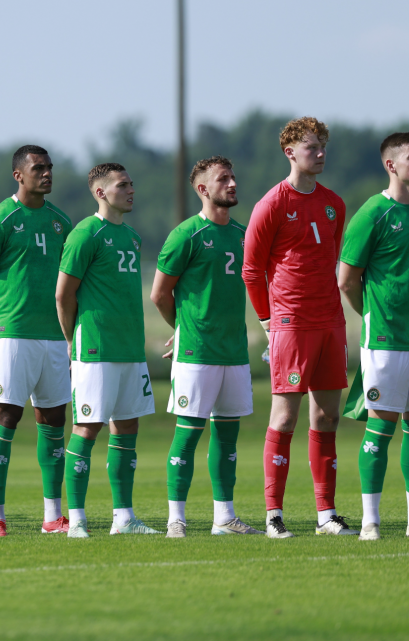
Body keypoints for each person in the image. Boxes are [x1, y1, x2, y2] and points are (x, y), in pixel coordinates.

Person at [243, 117, 357, 538]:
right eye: (312, 147)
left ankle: (325, 514)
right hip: (290, 323)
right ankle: (274, 516)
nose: (321, 153)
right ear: (290, 152)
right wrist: (269, 320)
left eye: (324, 146)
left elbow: (329, 258)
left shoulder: (334, 203)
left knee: (327, 416)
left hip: (330, 319)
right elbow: (252, 269)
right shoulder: (272, 203)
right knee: (285, 417)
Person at [338, 132, 409, 540]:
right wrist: (372, 315)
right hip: (386, 341)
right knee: (380, 430)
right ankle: (371, 521)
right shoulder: (372, 213)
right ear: (391, 165)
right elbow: (347, 280)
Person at [151, 157, 262, 538]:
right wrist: (184, 328)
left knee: (227, 437)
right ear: (202, 189)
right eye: (223, 179)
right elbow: (159, 294)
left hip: (234, 352)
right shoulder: (186, 235)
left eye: (233, 176)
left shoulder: (245, 235)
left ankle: (224, 518)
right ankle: (176, 519)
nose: (232, 183)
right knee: (188, 433)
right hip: (197, 353)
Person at [0, 145, 72, 537]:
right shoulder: (2, 218)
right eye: (38, 168)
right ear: (18, 175)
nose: (46, 174)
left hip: (53, 338)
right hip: (13, 336)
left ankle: (53, 515)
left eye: (49, 168)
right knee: (5, 418)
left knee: (53, 420)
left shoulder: (62, 222)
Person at [56, 163, 158, 538]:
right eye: (122, 185)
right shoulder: (85, 233)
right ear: (101, 192)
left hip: (130, 348)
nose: (131, 190)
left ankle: (124, 518)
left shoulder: (131, 236)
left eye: (131, 183)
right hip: (96, 348)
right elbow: (63, 294)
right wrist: (72, 341)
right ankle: (77, 520)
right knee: (86, 427)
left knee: (127, 425)